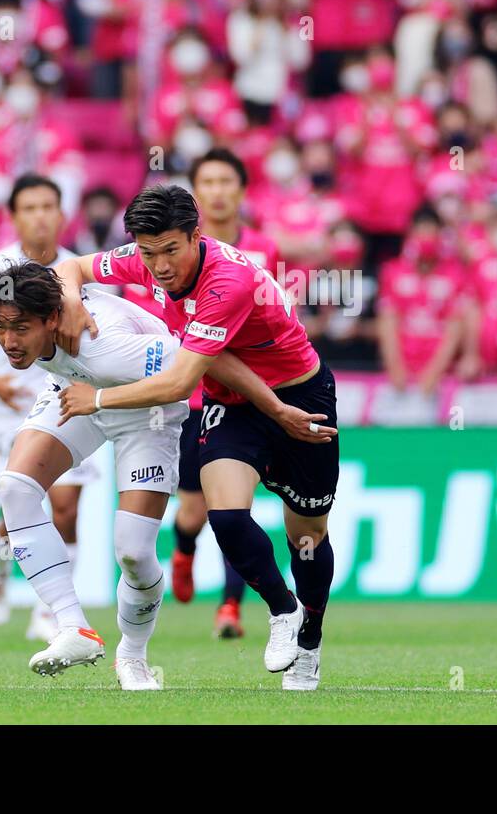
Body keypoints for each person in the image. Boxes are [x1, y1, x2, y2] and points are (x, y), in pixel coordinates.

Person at [0, 259, 321, 689]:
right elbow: (67, 269)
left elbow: (205, 361)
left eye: (20, 328)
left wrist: (276, 409)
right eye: (1, 327)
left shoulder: (104, 343)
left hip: (148, 412)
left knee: (134, 555)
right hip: (79, 393)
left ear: (51, 320)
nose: (8, 341)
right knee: (15, 487)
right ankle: (73, 628)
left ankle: (133, 655)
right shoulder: (51, 316)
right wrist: (93, 394)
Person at [52, 182, 339, 691]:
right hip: (235, 406)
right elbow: (70, 267)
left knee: (308, 538)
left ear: (195, 236)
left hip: (301, 399)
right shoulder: (144, 257)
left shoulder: (226, 281)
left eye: (170, 251)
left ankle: (310, 643)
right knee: (225, 517)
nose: (159, 266)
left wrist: (95, 400)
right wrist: (72, 300)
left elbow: (182, 381)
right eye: (148, 253)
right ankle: (282, 611)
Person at [0, 174, 97, 641]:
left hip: (64, 400)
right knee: (19, 503)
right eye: (29, 208)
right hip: (7, 405)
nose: (40, 216)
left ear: (61, 214)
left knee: (67, 507)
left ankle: (51, 611)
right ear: (14, 217)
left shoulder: (82, 272)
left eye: (48, 206)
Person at [170, 148, 280, 638]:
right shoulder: (178, 252)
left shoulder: (264, 251)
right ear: (195, 192)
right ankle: (184, 547)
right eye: (207, 182)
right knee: (193, 514)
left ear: (241, 190)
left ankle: (230, 607)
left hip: (243, 398)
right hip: (192, 397)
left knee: (233, 509)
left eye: (226, 181)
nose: (217, 191)